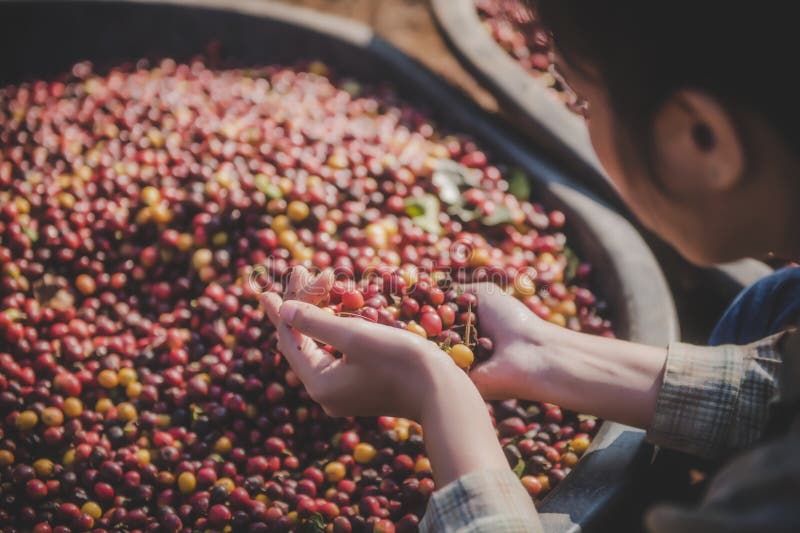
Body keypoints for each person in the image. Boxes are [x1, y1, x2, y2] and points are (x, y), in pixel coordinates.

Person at [263, 1, 800, 531]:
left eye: (581, 101)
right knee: (771, 306)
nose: (581, 121)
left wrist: (437, 393)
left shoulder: (772, 502)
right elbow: (781, 382)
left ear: (701, 138)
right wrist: (543, 351)